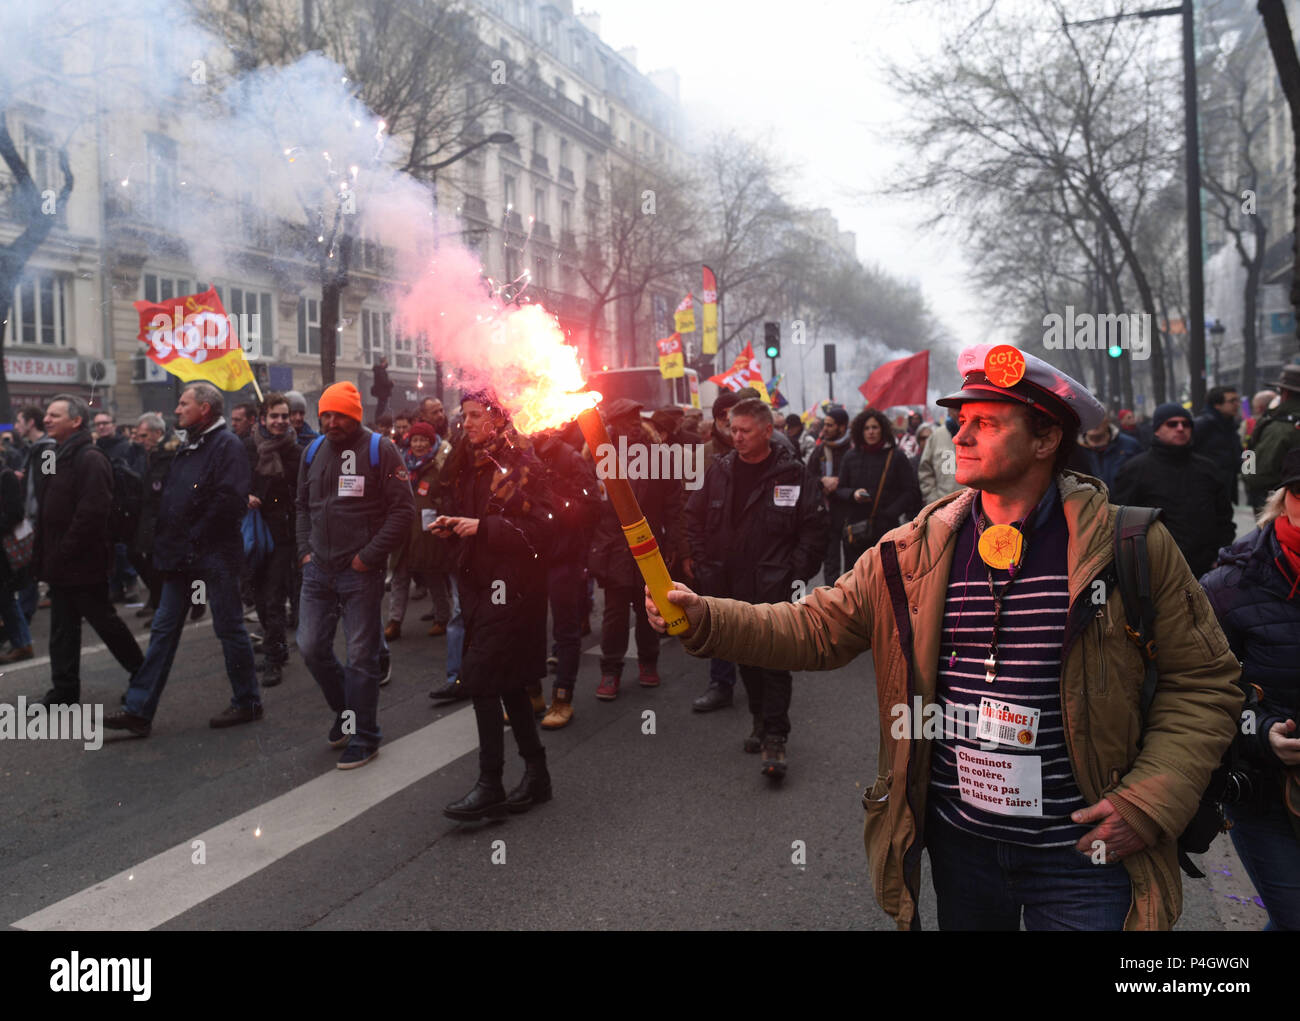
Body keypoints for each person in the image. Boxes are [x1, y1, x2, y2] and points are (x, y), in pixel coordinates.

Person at [648, 344, 1243, 931]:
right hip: (962, 849)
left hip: (1084, 854)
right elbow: (815, 627)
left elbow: (1205, 682)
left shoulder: (1129, 546)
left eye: (985, 423)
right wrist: (703, 617)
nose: (959, 436)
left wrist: (1150, 801)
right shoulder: (913, 549)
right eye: (961, 421)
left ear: (1045, 439)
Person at [105, 383, 262, 737]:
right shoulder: (189, 445)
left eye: (183, 403)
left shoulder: (227, 445)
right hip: (182, 557)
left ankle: (248, 701)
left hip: (214, 554)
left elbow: (228, 501)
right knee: (163, 630)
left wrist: (193, 537)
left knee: (229, 627)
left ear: (204, 409)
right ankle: (138, 710)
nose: (177, 409)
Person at [684, 397, 827, 778]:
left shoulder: (792, 474)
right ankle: (759, 721)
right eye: (733, 429)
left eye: (745, 430)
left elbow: (813, 529)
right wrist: (702, 563)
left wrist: (792, 574)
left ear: (767, 431)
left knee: (775, 661)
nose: (737, 436)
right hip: (728, 585)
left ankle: (775, 738)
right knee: (745, 656)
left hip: (773, 587)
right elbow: (693, 516)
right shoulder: (721, 470)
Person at [434, 388, 554, 820]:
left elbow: (542, 532)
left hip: (515, 589)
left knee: (481, 678)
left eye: (476, 416)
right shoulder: (469, 463)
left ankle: (491, 783)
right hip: (481, 587)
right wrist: (454, 528)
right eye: (464, 416)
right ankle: (537, 774)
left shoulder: (524, 465)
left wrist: (483, 528)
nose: (467, 424)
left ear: (500, 420)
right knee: (508, 681)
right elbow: (465, 514)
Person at [1201, 447, 1300, 930]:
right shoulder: (1228, 586)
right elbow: (1194, 691)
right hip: (1266, 794)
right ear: (1285, 499)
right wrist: (1261, 732)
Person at [295, 382, 414, 769]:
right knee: (311, 647)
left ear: (355, 415)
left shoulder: (381, 449)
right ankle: (347, 713)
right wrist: (305, 553)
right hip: (318, 571)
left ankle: (365, 736)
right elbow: (300, 507)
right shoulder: (312, 451)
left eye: (339, 415)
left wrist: (369, 556)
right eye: (325, 415)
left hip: (359, 572)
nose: (331, 422)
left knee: (361, 655)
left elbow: (402, 512)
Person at [33, 395, 145, 707]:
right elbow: (48, 508)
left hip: (83, 561)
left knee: (105, 622)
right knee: (62, 630)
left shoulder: (90, 458)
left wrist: (66, 549)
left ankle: (142, 674)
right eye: (47, 414)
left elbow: (93, 512)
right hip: (60, 561)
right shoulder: (58, 453)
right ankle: (64, 691)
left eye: (55, 415)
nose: (47, 419)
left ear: (76, 421)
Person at [588, 399, 683, 704]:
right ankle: (611, 670)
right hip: (613, 548)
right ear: (611, 425)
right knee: (615, 614)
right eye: (624, 420)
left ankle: (648, 662)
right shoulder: (599, 455)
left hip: (649, 546)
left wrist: (674, 544)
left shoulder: (657, 455)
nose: (631, 424)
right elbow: (589, 505)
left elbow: (674, 504)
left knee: (648, 611)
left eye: (634, 418)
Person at [1113, 403, 1235, 579]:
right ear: (1157, 430)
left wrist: (1220, 553)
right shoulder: (1135, 470)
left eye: (1186, 424)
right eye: (1172, 424)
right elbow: (1121, 521)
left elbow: (1224, 516)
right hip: (1157, 570)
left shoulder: (1207, 468)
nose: (1180, 428)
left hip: (1206, 568)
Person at [534, 421, 600, 728]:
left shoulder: (570, 457)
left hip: (564, 556)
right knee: (527, 627)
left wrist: (551, 494)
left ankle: (563, 698)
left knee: (566, 629)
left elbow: (590, 506)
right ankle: (532, 692)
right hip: (528, 555)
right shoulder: (517, 454)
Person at [248, 392, 303, 687]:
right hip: (256, 534)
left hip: (283, 534)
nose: (280, 421)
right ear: (263, 419)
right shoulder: (249, 447)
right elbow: (236, 481)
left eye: (284, 415)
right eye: (275, 416)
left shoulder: (296, 452)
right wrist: (247, 495)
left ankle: (273, 658)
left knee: (273, 598)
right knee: (258, 595)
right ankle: (276, 649)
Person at [385, 421, 452, 640]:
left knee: (433, 575)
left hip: (427, 532)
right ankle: (394, 622)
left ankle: (442, 618)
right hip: (404, 530)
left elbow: (444, 497)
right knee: (399, 578)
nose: (419, 444)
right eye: (415, 439)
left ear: (431, 442)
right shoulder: (401, 466)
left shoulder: (437, 467)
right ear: (409, 441)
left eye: (424, 440)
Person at [837, 408, 921, 568]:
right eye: (866, 428)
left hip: (886, 530)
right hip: (856, 531)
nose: (871, 432)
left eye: (874, 427)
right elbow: (840, 489)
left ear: (882, 429)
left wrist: (890, 513)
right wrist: (853, 494)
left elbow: (911, 491)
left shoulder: (896, 456)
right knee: (855, 580)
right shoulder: (850, 457)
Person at [126, 413, 180, 621]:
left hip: (163, 519)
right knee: (142, 559)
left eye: (144, 435)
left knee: (165, 568)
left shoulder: (169, 453)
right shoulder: (146, 453)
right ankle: (158, 603)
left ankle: (170, 608)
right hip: (147, 517)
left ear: (158, 433)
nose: (140, 441)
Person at [15, 404, 53, 623]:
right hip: (32, 518)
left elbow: (50, 480)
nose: (17, 426)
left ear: (30, 423)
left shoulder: (47, 448)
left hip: (39, 518)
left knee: (30, 568)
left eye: (20, 421)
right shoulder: (33, 448)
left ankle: (24, 614)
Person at [1245, 365, 1300, 512]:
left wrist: (1246, 474)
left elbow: (1258, 473)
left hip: (1282, 506)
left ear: (1285, 392)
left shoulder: (1280, 427)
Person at [807, 405, 852, 586]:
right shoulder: (819, 451)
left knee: (854, 565)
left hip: (851, 514)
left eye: (830, 425)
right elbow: (808, 478)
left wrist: (839, 483)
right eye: (824, 425)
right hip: (827, 515)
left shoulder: (855, 449)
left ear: (842, 427)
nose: (824, 429)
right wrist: (822, 482)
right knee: (830, 564)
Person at [0, 460, 33, 662]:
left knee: (6, 598)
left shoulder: (6, 476)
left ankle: (23, 644)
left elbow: (16, 514)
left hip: (3, 551)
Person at [1193, 386, 1243, 499]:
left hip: (1225, 490)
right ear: (1217, 405)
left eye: (1237, 400)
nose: (1237, 404)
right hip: (1205, 490)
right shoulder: (1202, 425)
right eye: (1232, 401)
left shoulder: (1230, 426)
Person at [1076, 412, 1141, 491]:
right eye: (1088, 418)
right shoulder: (1074, 449)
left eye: (1098, 417)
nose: (1093, 422)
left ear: (1108, 421)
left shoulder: (1130, 445)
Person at [917, 406, 963, 504]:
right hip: (943, 506)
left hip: (976, 507)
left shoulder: (980, 433)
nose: (960, 412)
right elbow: (925, 471)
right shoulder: (937, 436)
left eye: (963, 407)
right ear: (949, 411)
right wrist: (934, 500)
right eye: (956, 408)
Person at [371, 355, 394, 420]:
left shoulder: (379, 370)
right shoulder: (381, 371)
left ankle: (379, 420)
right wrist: (391, 383)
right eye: (386, 361)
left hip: (381, 393)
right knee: (381, 408)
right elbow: (384, 382)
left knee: (381, 407)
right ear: (383, 362)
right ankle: (378, 420)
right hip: (382, 393)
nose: (387, 363)